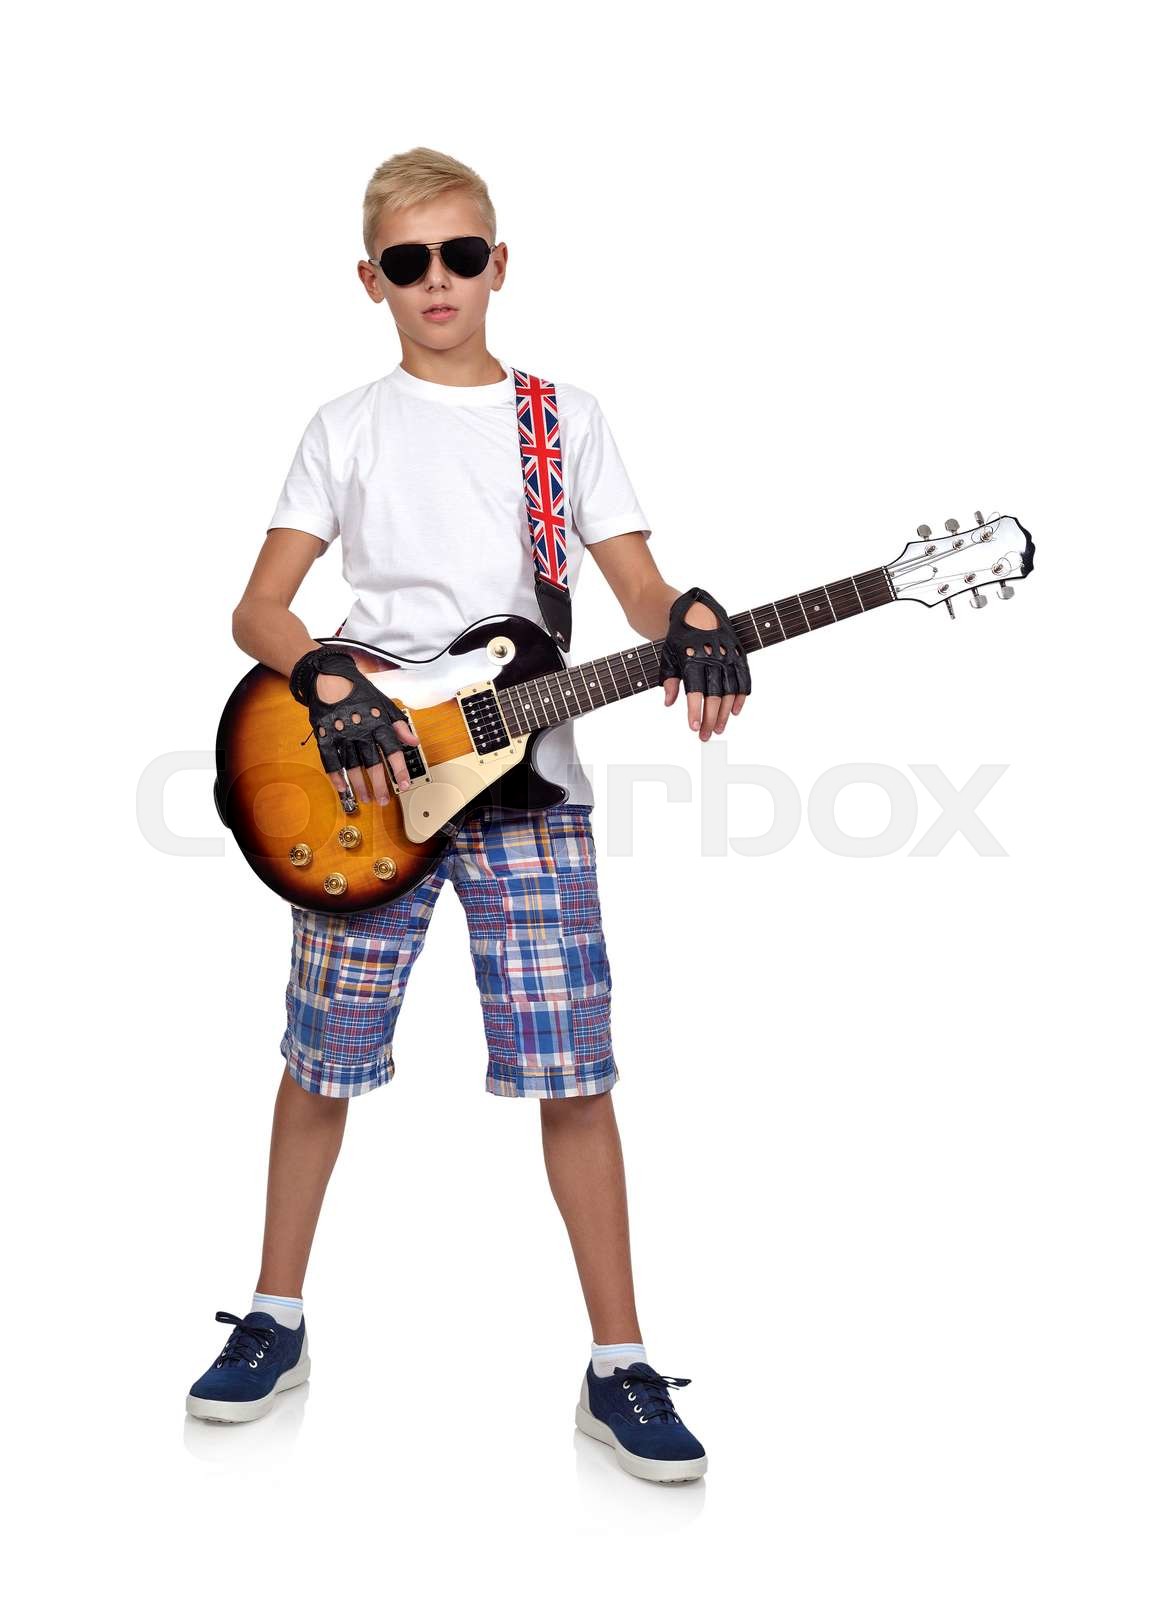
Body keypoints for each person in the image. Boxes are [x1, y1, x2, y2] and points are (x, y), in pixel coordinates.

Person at [186, 147, 751, 1484]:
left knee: (574, 1072)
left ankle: (620, 1364)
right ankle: (275, 1316)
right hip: (371, 784)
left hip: (531, 792)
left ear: (499, 264)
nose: (435, 283)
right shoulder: (346, 426)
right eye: (407, 263)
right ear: (371, 280)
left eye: (460, 256)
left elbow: (633, 590)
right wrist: (329, 684)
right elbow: (258, 608)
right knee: (322, 1059)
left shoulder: (565, 418)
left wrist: (694, 621)